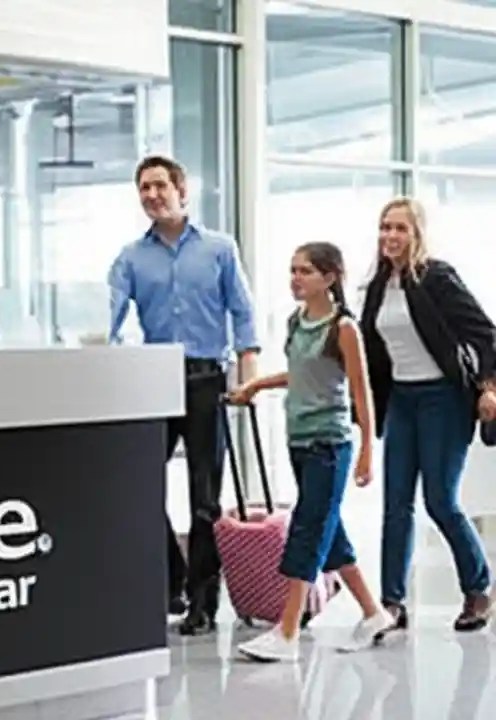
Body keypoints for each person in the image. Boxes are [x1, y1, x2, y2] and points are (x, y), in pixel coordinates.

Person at [108, 155, 260, 636]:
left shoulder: (219, 248)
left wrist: (247, 377)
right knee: (137, 486)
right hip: (154, 380)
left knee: (204, 497)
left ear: (181, 190)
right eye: (144, 188)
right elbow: (110, 316)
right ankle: (172, 579)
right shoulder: (131, 258)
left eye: (159, 185)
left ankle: (203, 602)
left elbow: (243, 312)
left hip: (206, 379)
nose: (152, 195)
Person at [228, 242, 394, 662]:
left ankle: (287, 631)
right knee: (328, 531)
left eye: (305, 271)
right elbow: (301, 373)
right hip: (299, 441)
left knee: (307, 529)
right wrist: (257, 385)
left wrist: (367, 451)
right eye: (293, 270)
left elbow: (361, 391)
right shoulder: (296, 322)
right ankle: (373, 613)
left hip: (329, 444)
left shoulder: (344, 328)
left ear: (329, 277)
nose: (295, 278)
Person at [358, 197, 496, 637]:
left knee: (440, 500)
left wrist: (489, 386)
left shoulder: (436, 277)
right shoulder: (378, 286)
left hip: (444, 399)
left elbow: (485, 332)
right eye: (385, 227)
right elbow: (369, 349)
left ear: (416, 234)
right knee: (396, 503)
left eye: (400, 228)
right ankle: (392, 602)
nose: (390, 236)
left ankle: (478, 588)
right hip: (402, 400)